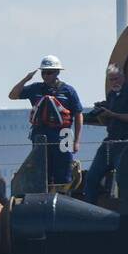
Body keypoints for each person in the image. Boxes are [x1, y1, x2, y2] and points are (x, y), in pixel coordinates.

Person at [9, 55, 83, 189]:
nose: (46, 75)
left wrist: (77, 141)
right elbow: (12, 95)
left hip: (62, 136)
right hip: (40, 134)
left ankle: (63, 195)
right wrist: (26, 79)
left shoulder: (68, 91)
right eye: (43, 72)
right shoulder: (35, 89)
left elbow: (78, 114)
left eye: (49, 72)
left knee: (63, 169)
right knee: (41, 169)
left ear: (57, 73)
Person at [83, 63, 128, 203]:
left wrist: (113, 114)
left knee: (123, 178)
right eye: (111, 79)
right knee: (91, 178)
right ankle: (91, 208)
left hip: (127, 143)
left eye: (117, 79)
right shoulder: (112, 95)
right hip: (110, 143)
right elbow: (108, 120)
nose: (114, 82)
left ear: (123, 77)